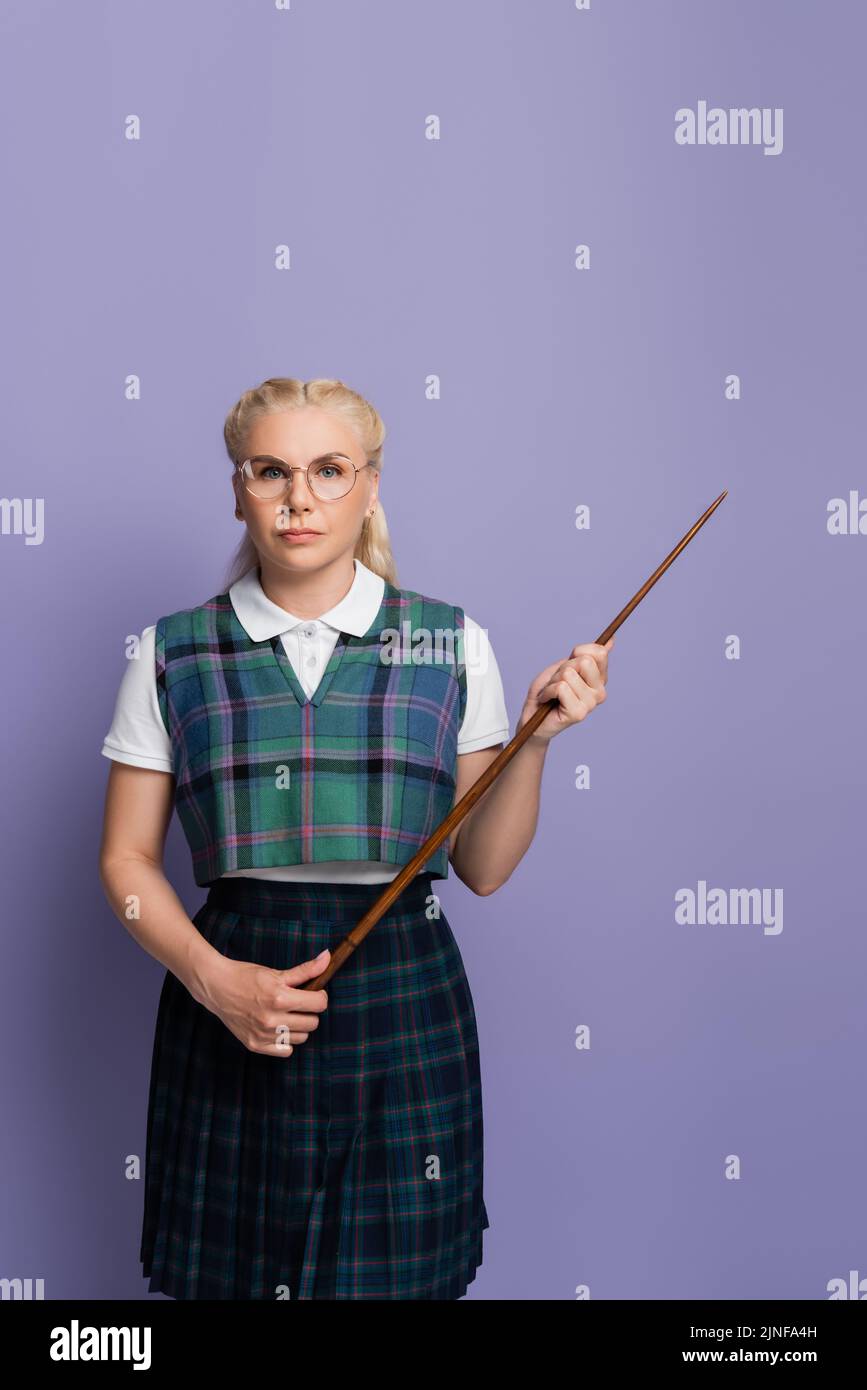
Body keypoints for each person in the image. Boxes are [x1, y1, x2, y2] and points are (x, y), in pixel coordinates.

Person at [97, 376, 614, 1300]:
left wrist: (534, 743)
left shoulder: (451, 643)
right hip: (232, 991)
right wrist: (214, 982)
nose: (299, 498)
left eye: (329, 471)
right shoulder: (169, 651)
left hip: (403, 993)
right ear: (238, 492)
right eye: (271, 472)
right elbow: (126, 860)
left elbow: (483, 868)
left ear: (370, 487)